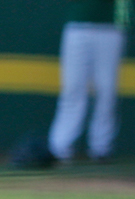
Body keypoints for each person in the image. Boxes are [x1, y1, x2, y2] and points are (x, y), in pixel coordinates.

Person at [48, 0, 130, 165]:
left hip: (112, 24)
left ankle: (102, 148)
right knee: (72, 88)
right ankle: (60, 147)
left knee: (107, 90)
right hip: (78, 23)